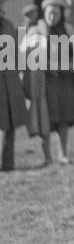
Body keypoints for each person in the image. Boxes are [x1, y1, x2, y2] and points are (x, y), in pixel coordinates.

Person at [23, 0, 74, 165]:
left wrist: (70, 64)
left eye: (55, 13)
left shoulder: (68, 30)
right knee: (45, 119)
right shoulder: (36, 31)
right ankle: (47, 156)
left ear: (61, 14)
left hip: (64, 81)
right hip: (44, 82)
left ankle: (63, 154)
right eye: (49, 13)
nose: (52, 17)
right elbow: (27, 55)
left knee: (64, 118)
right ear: (44, 13)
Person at [0, 9, 27, 171]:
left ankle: (8, 163)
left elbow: (16, 51)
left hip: (10, 81)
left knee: (9, 122)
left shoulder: (8, 24)